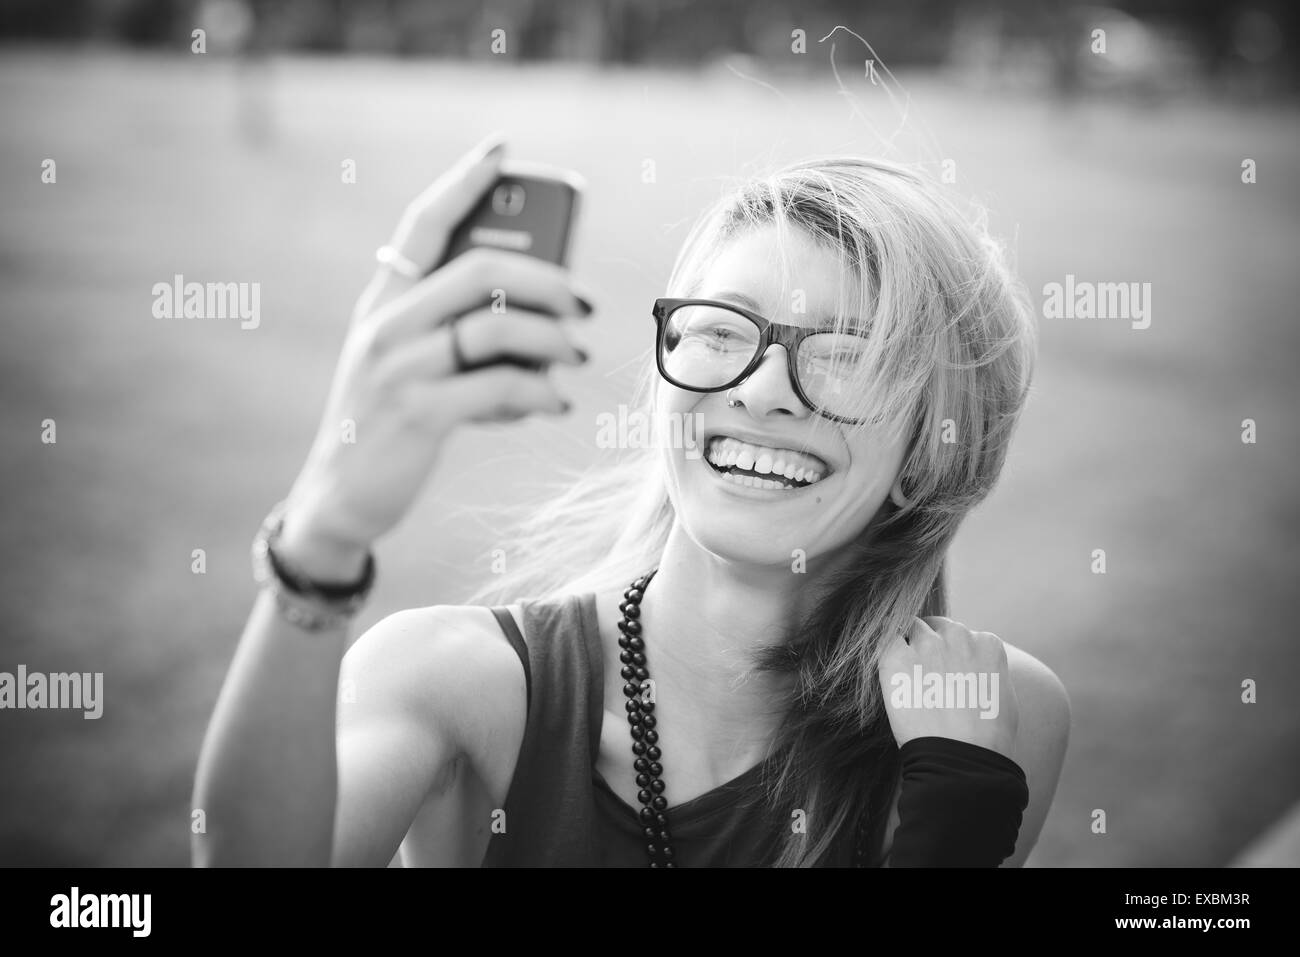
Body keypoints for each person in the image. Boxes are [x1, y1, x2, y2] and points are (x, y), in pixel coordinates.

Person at [192, 134, 1070, 868]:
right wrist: (327, 531)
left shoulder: (986, 719)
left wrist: (953, 807)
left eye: (846, 352)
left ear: (933, 441)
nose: (763, 390)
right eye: (722, 328)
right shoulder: (459, 682)